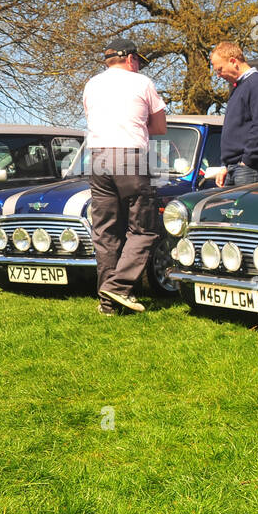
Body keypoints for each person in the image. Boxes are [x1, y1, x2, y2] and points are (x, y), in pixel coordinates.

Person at [83, 36, 167, 315]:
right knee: (143, 228)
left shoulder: (91, 84)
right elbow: (159, 127)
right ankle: (118, 288)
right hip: (130, 156)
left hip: (96, 158)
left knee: (105, 230)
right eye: (138, 61)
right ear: (131, 59)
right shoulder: (142, 83)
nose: (139, 66)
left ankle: (108, 303)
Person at [210, 41, 258, 187]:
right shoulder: (238, 88)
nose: (218, 75)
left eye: (220, 69)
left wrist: (246, 161)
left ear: (233, 61)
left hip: (249, 169)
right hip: (234, 169)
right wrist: (225, 165)